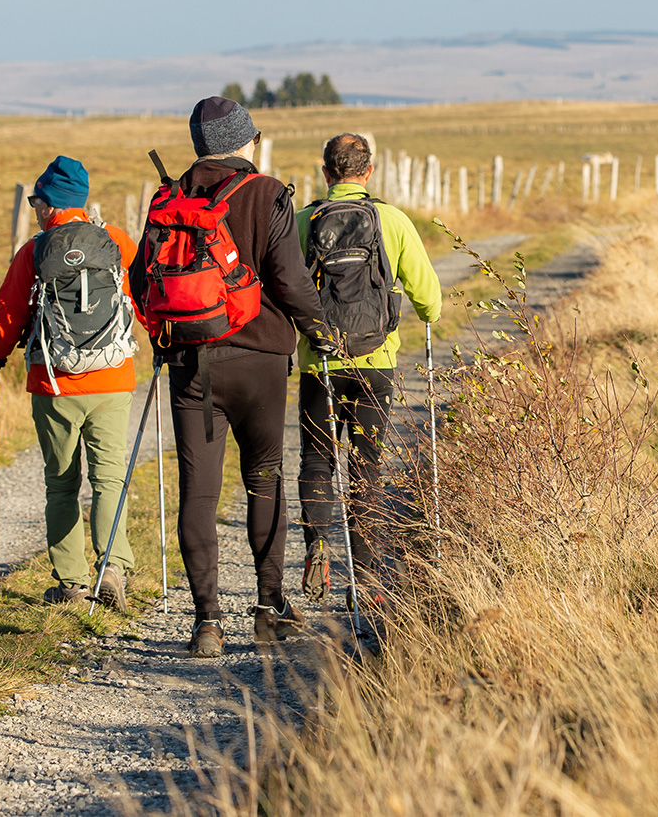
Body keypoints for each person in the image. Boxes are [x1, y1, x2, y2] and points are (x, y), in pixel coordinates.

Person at [131, 96, 333, 658]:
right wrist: (322, 331)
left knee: (199, 490)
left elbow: (140, 278)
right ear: (248, 141)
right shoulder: (268, 193)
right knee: (264, 479)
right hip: (261, 362)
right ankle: (269, 609)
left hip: (191, 363)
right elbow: (290, 280)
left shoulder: (167, 198)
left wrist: (162, 336)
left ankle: (207, 622)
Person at [0, 156, 142, 609]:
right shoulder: (116, 241)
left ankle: (71, 583)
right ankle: (112, 568)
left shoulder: (33, 252)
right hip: (112, 379)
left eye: (37, 200)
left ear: (49, 205)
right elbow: (140, 298)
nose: (35, 207)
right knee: (110, 478)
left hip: (54, 385)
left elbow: (9, 317)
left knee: (62, 483)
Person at [296, 133, 441, 603]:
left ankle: (318, 546)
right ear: (369, 172)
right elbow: (431, 301)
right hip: (375, 362)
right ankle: (370, 572)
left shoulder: (303, 222)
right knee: (366, 466)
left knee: (317, 460)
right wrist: (427, 315)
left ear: (325, 173)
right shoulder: (392, 221)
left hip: (319, 361)